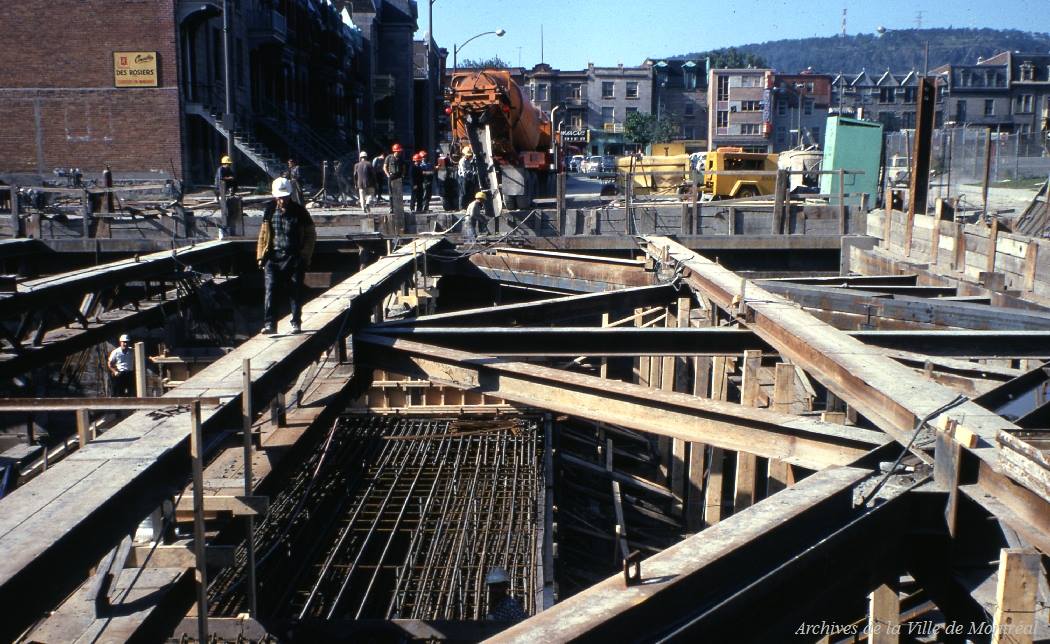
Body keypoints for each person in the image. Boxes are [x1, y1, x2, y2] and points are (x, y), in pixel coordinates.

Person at [257, 177, 316, 335]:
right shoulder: (269, 210)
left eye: (284, 196)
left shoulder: (300, 212)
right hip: (273, 257)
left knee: (295, 291)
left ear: (289, 195)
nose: (282, 200)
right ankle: (270, 324)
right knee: (270, 290)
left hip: (293, 256)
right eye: (279, 197)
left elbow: (311, 235)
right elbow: (263, 235)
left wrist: (305, 255)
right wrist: (260, 256)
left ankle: (296, 322)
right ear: (275, 196)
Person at [384, 143, 407, 223]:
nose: (399, 153)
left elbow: (404, 167)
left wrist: (403, 175)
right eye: (398, 151)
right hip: (391, 177)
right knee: (391, 194)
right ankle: (392, 208)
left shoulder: (401, 159)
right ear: (395, 151)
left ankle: (399, 208)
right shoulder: (389, 158)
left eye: (400, 151)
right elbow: (385, 167)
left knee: (399, 193)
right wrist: (387, 175)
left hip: (398, 177)